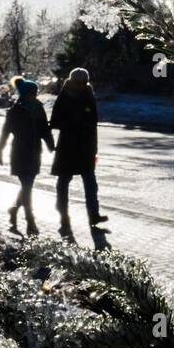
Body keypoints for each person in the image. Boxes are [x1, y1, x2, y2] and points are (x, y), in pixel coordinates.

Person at [49, 67, 107, 241]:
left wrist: (94, 148)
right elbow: (55, 121)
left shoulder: (89, 96)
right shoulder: (64, 96)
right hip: (67, 147)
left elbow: (93, 123)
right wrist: (72, 122)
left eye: (84, 81)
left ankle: (94, 215)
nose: (81, 85)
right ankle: (64, 219)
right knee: (63, 184)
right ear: (72, 81)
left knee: (90, 184)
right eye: (78, 82)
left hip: (85, 148)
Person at [0, 77, 54, 237]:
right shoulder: (15, 111)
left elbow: (45, 130)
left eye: (36, 92)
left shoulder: (38, 108)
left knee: (27, 187)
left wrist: (51, 145)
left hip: (35, 153)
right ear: (25, 93)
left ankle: (14, 210)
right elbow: (5, 133)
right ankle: (30, 221)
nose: (35, 95)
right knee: (27, 187)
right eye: (32, 92)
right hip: (20, 153)